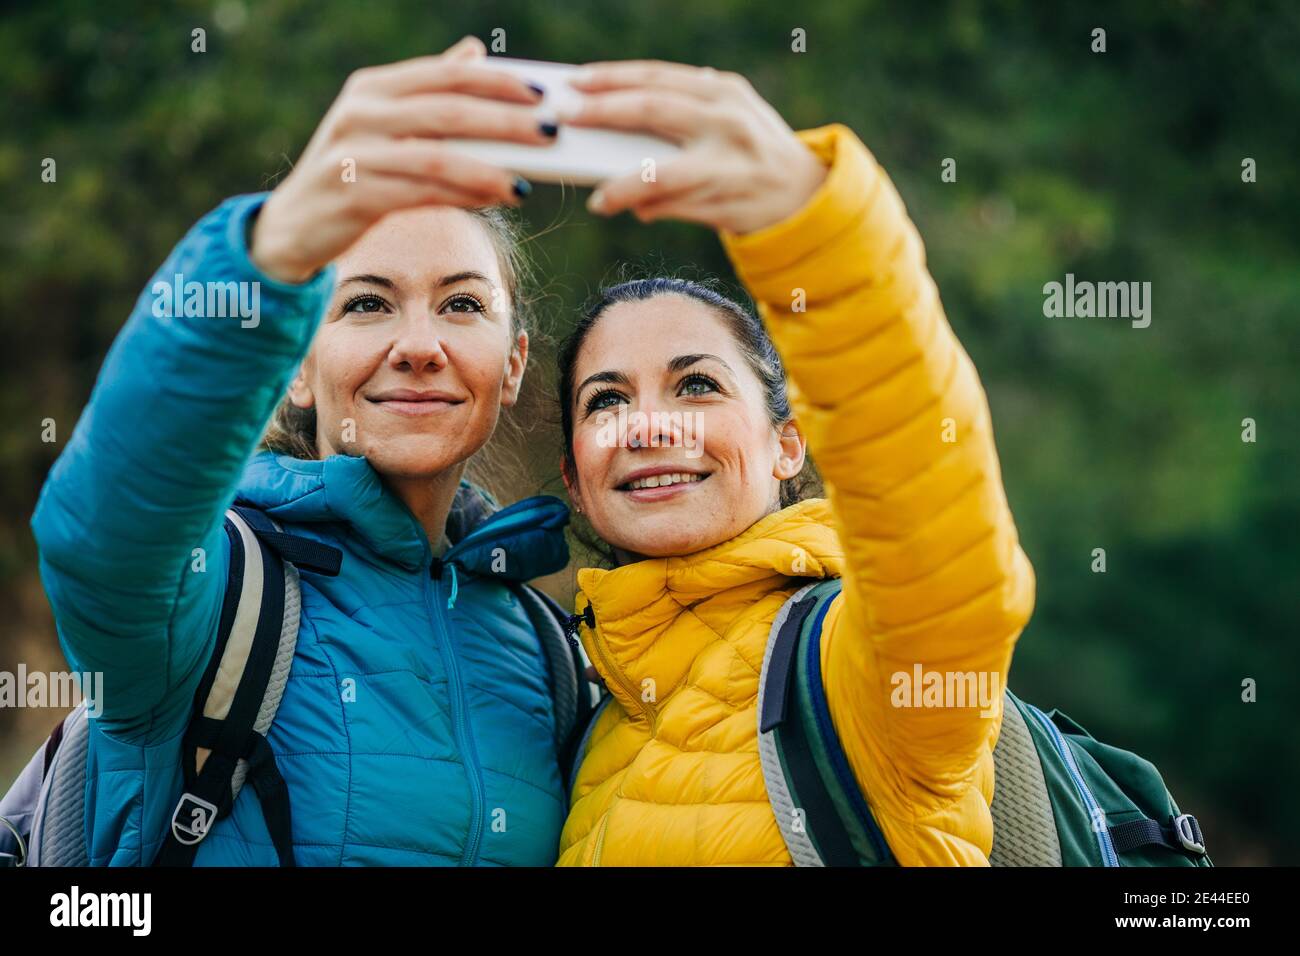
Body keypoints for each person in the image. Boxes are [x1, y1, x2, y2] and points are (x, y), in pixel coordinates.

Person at [30, 37, 574, 865]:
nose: (419, 345)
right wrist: (281, 244)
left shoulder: (550, 653)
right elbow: (101, 529)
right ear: (296, 367)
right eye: (365, 305)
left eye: (462, 305)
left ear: (513, 366)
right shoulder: (213, 594)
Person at [554, 61, 1036, 865]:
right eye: (605, 401)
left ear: (788, 441)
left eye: (697, 385)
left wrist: (814, 228)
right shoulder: (586, 724)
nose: (647, 427)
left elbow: (947, 558)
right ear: (573, 477)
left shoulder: (859, 665)